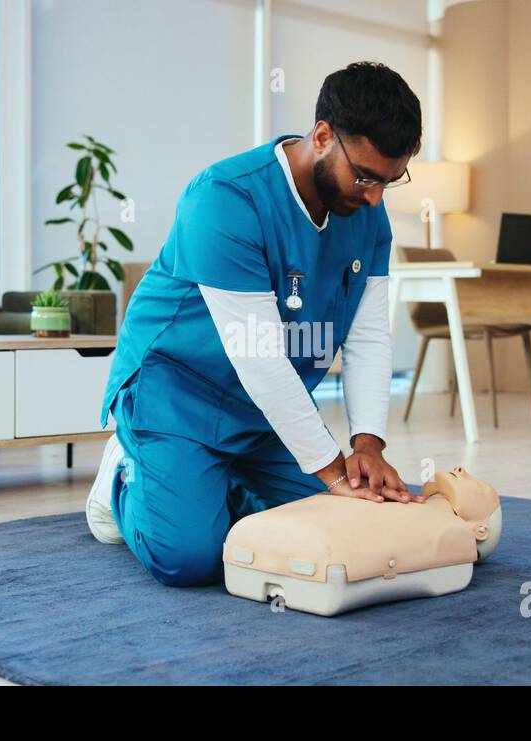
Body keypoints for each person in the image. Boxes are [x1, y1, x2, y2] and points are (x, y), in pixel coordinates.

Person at [87, 61, 424, 587]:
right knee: (189, 559)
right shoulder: (224, 200)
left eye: (389, 180)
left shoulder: (367, 215)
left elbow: (368, 337)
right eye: (364, 176)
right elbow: (259, 355)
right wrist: (333, 472)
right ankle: (120, 481)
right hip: (176, 392)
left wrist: (366, 447)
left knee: (357, 524)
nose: (376, 198)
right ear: (321, 136)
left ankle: (216, 489)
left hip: (265, 410)